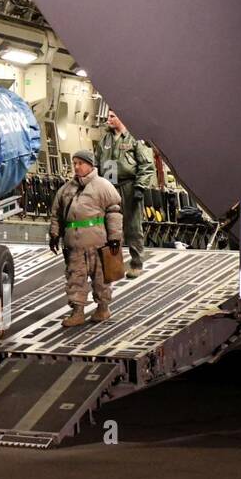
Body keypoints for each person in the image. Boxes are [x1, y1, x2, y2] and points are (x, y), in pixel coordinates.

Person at [48, 150, 123, 327]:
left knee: (101, 278)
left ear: (90, 165)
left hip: (97, 243)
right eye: (74, 163)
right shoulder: (66, 189)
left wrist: (115, 238)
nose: (76, 166)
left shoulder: (103, 186)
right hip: (74, 244)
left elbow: (114, 212)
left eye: (80, 163)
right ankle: (78, 312)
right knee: (75, 279)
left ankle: (103, 308)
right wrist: (54, 235)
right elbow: (56, 214)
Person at [95, 110, 156, 278]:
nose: (108, 119)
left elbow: (147, 165)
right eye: (108, 116)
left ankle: (136, 264)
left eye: (112, 116)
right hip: (110, 186)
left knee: (133, 227)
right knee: (111, 228)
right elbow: (97, 163)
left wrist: (140, 187)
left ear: (122, 117)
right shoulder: (105, 141)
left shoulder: (134, 139)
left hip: (129, 187)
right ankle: (113, 267)